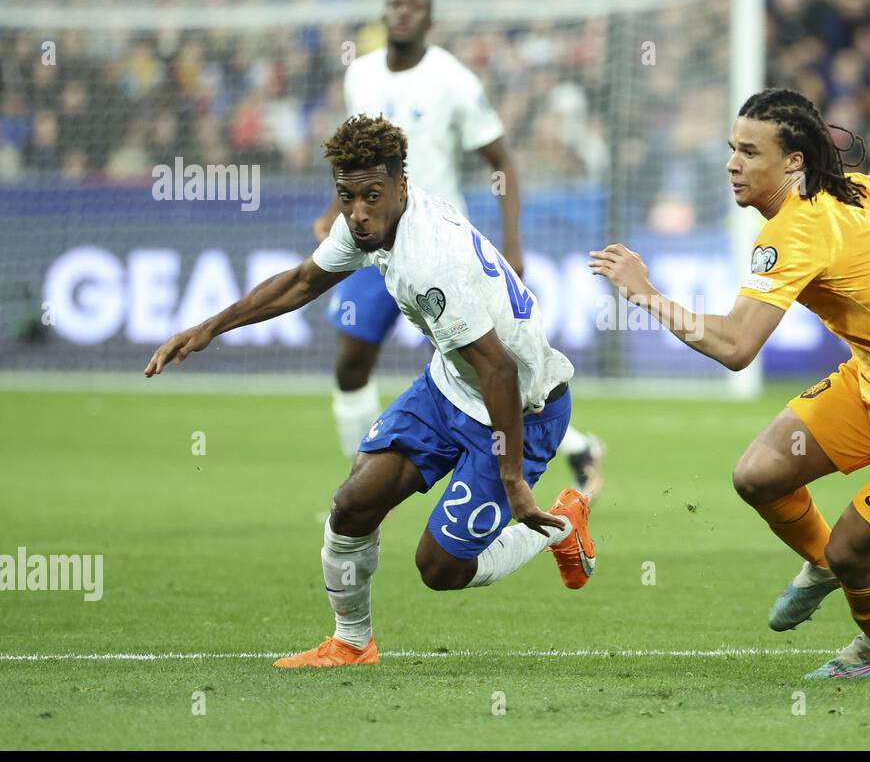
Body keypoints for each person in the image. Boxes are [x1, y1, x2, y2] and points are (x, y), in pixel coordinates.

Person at [146, 114, 596, 668]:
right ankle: (352, 642)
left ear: (400, 187)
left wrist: (512, 479)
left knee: (440, 570)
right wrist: (208, 328)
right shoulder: (375, 220)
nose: (357, 213)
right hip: (450, 387)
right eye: (347, 197)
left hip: (520, 410)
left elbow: (500, 370)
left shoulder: (429, 263)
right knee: (353, 505)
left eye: (370, 197)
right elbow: (302, 281)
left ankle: (560, 527)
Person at [590, 89, 870, 680]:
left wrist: (645, 294)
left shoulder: (794, 232)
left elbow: (735, 347)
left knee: (852, 550)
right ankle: (827, 566)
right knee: (759, 475)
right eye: (732, 148)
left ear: (794, 163)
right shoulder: (850, 192)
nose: (733, 164)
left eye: (750, 152)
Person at [318, 0, 605, 497]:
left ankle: (575, 443)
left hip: (435, 252)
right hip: (375, 245)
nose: (401, 13)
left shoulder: (453, 80)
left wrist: (512, 243)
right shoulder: (359, 74)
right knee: (350, 360)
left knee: (477, 371)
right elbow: (358, 163)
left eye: (413, 6)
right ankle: (358, 480)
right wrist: (333, 212)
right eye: (393, 4)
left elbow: (500, 160)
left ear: (430, 18)